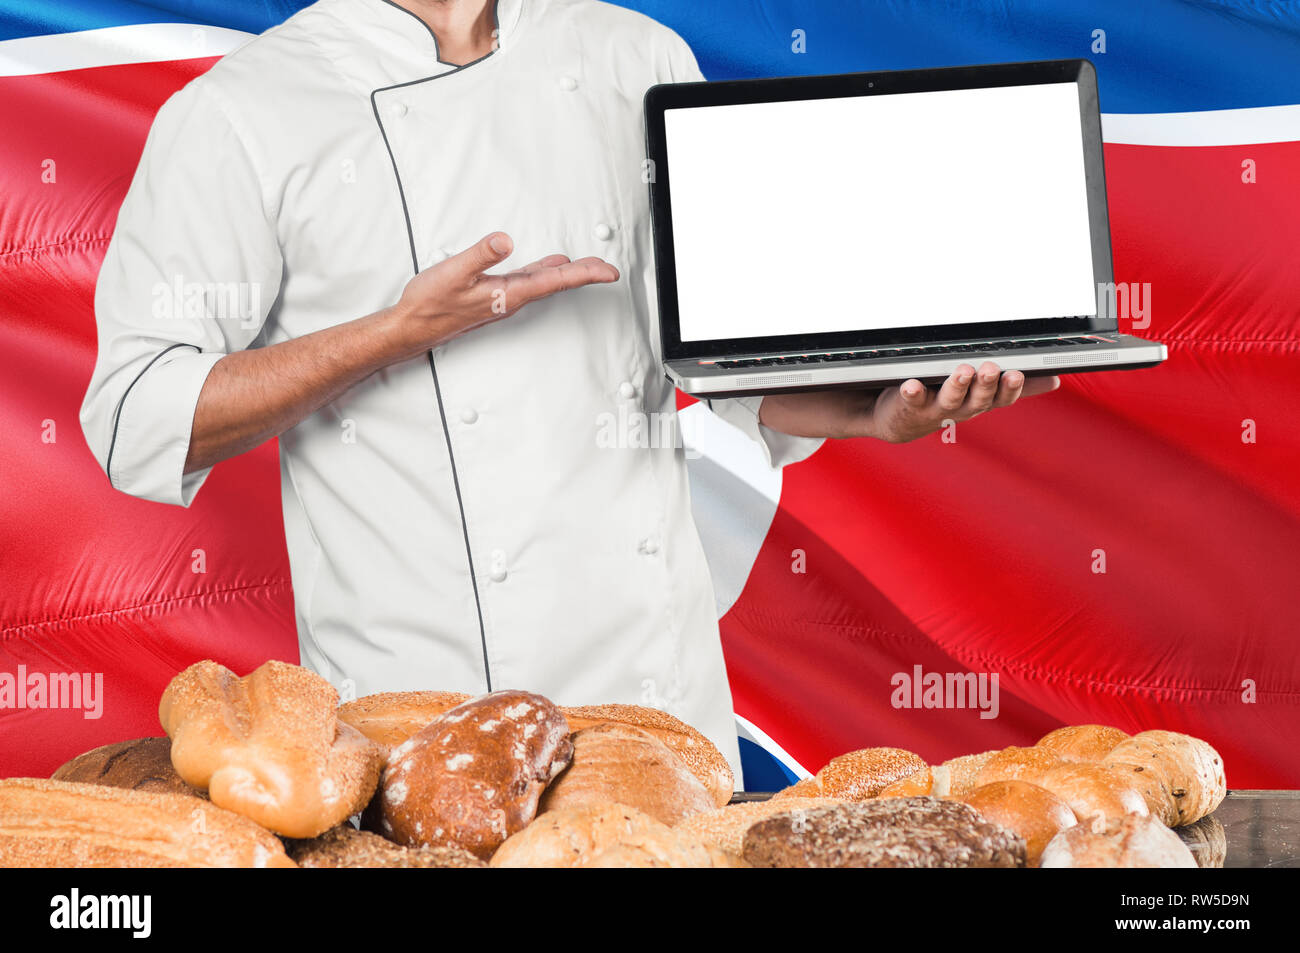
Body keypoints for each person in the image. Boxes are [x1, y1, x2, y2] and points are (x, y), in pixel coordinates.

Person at [80, 0, 1057, 779]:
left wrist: (876, 410)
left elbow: (708, 365)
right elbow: (136, 417)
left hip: (661, 714)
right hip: (421, 732)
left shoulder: (637, 55)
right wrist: (394, 333)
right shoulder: (242, 112)